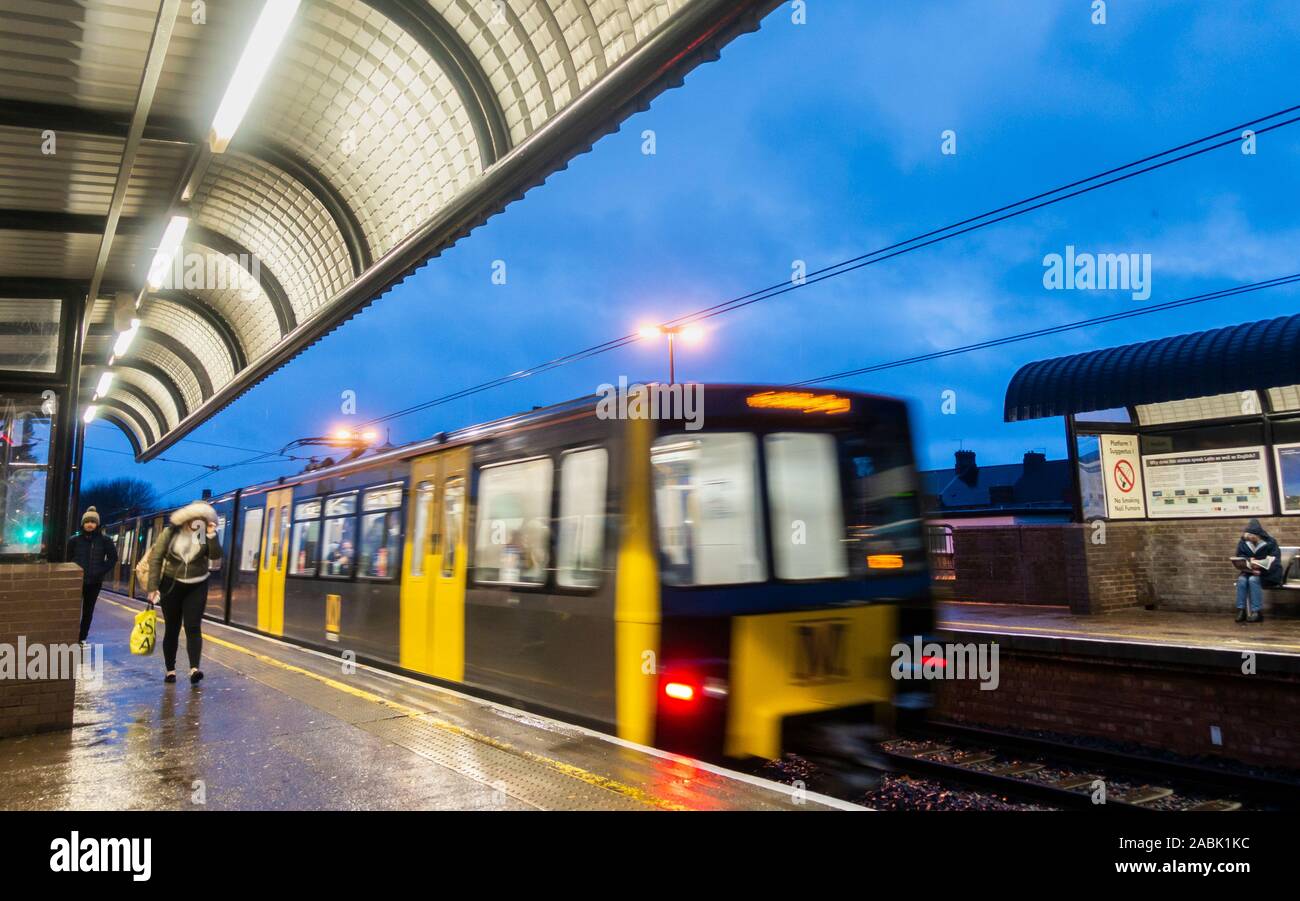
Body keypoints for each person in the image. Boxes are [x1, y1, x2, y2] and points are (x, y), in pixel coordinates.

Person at [146, 500, 223, 684]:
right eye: (197, 517)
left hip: (197, 585)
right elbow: (156, 558)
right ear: (188, 517)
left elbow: (215, 555)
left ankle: (194, 669)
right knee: (172, 628)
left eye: (203, 518)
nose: (199, 521)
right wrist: (152, 586)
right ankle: (170, 670)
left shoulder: (203, 534)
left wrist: (212, 535)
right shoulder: (170, 532)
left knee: (193, 626)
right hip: (171, 585)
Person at [66, 506, 117, 644]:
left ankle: (82, 637)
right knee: (72, 610)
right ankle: (69, 635)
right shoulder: (74, 540)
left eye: (93, 522)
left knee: (88, 611)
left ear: (97, 524)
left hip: (94, 582)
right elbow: (67, 559)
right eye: (87, 521)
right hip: (76, 581)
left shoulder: (105, 540)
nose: (90, 524)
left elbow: (113, 558)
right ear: (83, 523)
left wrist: (100, 570)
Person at [1234, 518, 1282, 623]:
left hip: (1269, 574)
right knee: (1241, 580)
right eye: (1248, 536)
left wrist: (1261, 571)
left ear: (1258, 535)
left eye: (1252, 536)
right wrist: (1248, 560)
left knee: (1253, 580)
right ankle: (1241, 610)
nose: (1249, 538)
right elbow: (1240, 556)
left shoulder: (1270, 543)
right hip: (1249, 572)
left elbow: (1275, 561)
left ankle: (1257, 612)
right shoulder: (1244, 542)